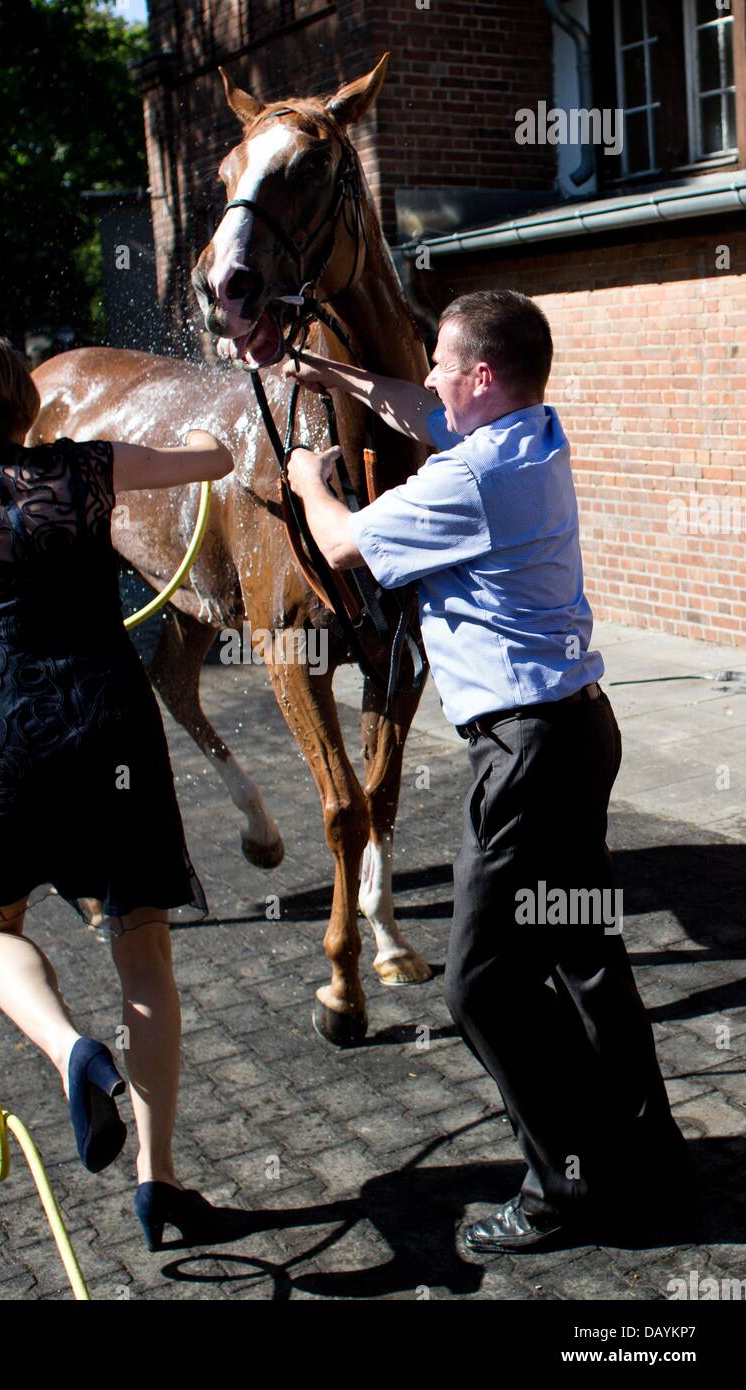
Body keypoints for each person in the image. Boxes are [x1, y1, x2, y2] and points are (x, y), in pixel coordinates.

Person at [282, 289, 691, 1252]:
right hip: (579, 734)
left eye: (442, 364)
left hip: (524, 759)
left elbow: (342, 543)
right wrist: (330, 375)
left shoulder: (467, 483)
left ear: (482, 378)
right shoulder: (535, 432)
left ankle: (566, 1189)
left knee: (481, 988)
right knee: (587, 955)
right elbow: (413, 406)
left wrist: (307, 476)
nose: (426, 378)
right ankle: (649, 1155)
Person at [0, 329, 233, 1251]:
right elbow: (217, 454)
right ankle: (159, 1185)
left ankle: (74, 1051)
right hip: (107, 720)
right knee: (142, 949)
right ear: (17, 401)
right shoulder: (86, 470)